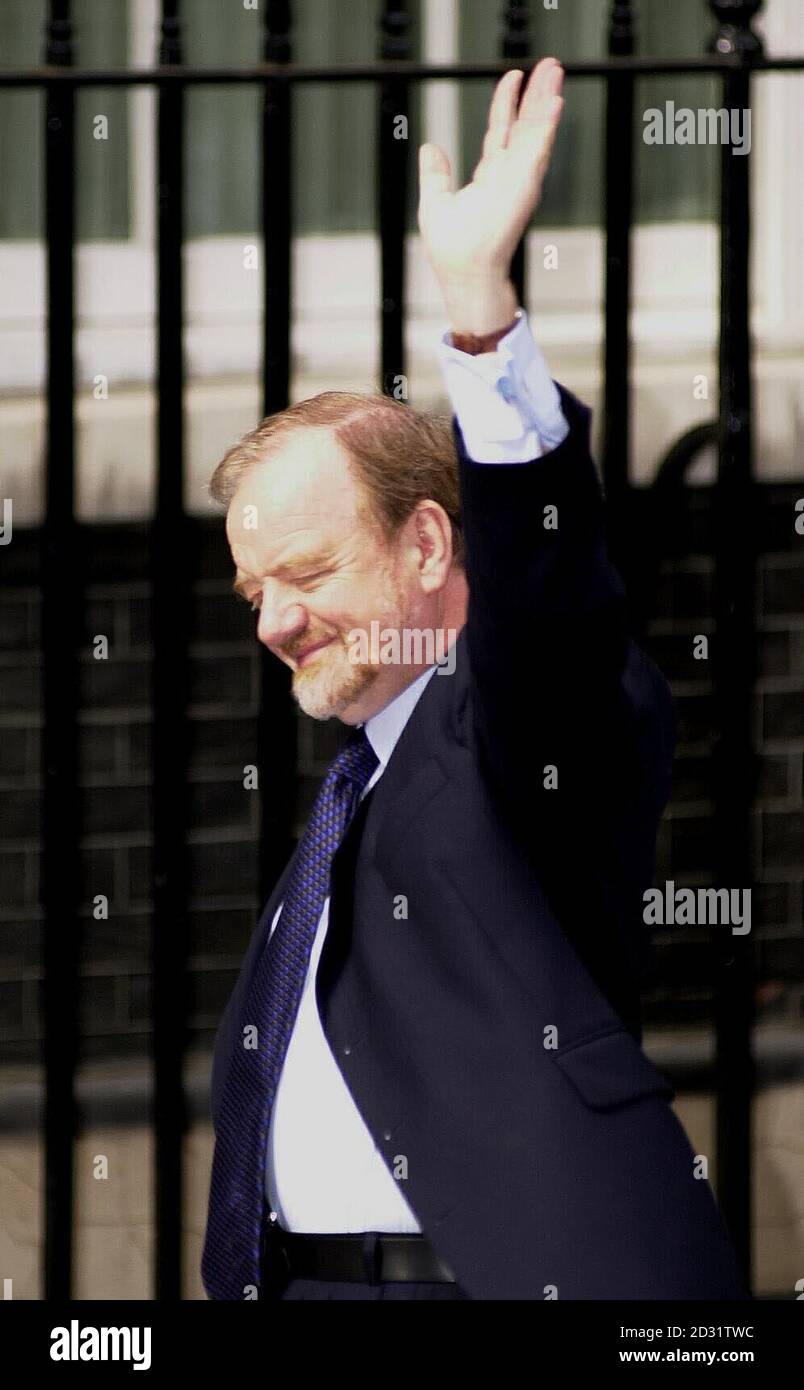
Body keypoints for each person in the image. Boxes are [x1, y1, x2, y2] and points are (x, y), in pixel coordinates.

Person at [201, 58, 749, 1301]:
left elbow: (552, 619)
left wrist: (481, 320)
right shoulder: (352, 799)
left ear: (431, 543)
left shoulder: (520, 738)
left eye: (306, 569)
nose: (276, 619)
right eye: (251, 594)